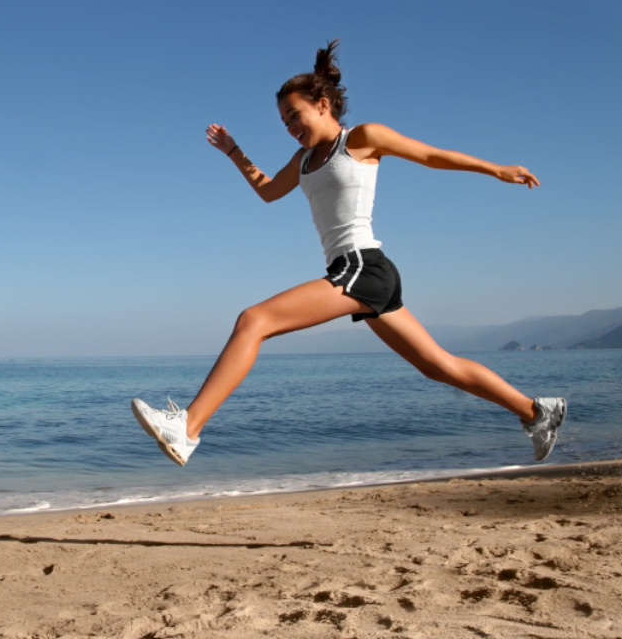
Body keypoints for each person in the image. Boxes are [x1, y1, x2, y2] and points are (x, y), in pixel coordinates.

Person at [131, 39, 566, 467]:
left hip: (362, 264)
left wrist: (495, 169)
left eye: (294, 115)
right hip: (363, 273)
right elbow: (267, 191)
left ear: (322, 104)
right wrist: (234, 152)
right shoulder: (302, 160)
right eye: (283, 121)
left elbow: (431, 155)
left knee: (253, 320)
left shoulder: (361, 138)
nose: (289, 126)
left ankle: (186, 429)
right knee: (438, 365)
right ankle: (536, 412)